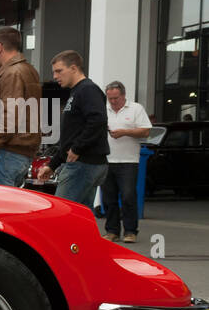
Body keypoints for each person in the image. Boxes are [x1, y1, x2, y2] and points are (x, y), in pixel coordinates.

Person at [40, 51, 109, 206]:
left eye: (59, 71)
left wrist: (78, 148)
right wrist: (53, 165)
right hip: (83, 163)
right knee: (80, 218)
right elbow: (70, 137)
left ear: (73, 68)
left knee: (61, 214)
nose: (55, 76)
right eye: (54, 72)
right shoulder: (77, 92)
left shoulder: (87, 90)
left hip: (83, 164)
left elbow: (98, 120)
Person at [0, 26, 42, 187]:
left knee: (0, 206)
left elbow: (11, 115)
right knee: (10, 206)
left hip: (6, 152)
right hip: (19, 151)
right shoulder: (28, 70)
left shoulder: (12, 73)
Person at [100, 80, 151, 242]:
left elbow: (145, 131)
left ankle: (130, 231)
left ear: (123, 95)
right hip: (106, 160)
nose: (113, 102)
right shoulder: (103, 110)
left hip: (129, 161)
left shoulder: (136, 109)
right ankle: (112, 230)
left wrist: (125, 132)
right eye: (110, 99)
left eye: (116, 98)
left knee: (128, 195)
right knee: (108, 197)